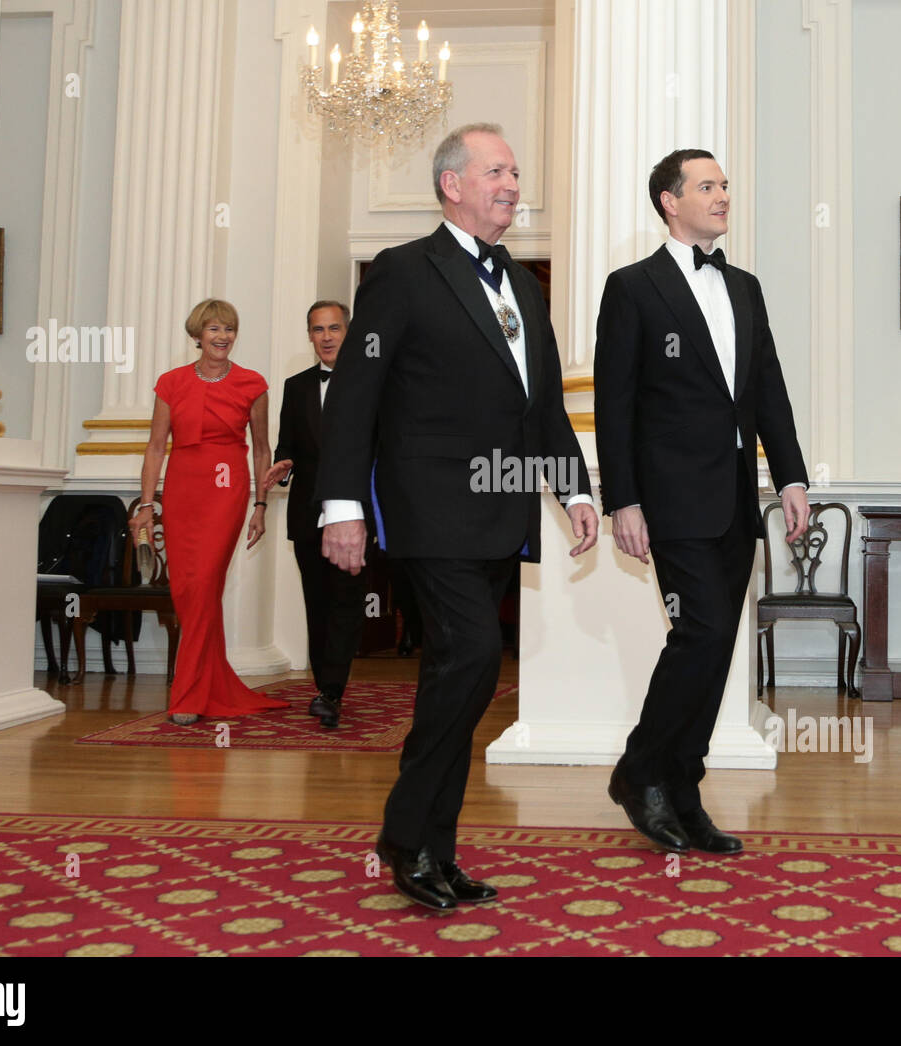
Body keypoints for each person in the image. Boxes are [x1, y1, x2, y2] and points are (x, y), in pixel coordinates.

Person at [314, 123, 600, 911]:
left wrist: (573, 490)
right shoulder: (403, 272)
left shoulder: (524, 283)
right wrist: (341, 506)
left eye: (516, 171)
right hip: (428, 509)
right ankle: (409, 837)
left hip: (501, 508)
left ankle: (432, 846)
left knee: (465, 677)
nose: (513, 183)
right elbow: (357, 398)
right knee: (471, 656)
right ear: (452, 183)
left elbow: (542, 404)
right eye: (497, 170)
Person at [594, 148, 810, 855]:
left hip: (734, 502)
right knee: (703, 633)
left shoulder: (744, 286)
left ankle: (681, 789)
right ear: (669, 200)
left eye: (725, 186)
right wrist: (623, 500)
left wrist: (792, 479)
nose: (722, 196)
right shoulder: (632, 288)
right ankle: (641, 772)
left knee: (716, 649)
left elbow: (767, 390)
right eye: (707, 186)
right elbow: (615, 403)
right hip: (669, 501)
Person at [130, 299, 289, 726]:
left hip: (225, 487)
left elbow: (261, 447)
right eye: (215, 329)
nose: (223, 337)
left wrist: (260, 504)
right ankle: (210, 682)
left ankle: (187, 693)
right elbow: (155, 446)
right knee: (187, 589)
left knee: (202, 583)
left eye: (229, 329)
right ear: (198, 335)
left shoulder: (252, 383)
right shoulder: (171, 383)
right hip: (182, 489)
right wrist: (147, 505)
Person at [264, 301, 371, 729]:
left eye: (334, 328)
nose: (326, 336)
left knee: (347, 602)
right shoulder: (296, 386)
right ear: (309, 336)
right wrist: (283, 466)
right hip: (307, 512)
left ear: (349, 332)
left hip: (358, 516)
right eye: (317, 329)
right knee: (317, 603)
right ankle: (324, 684)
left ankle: (332, 690)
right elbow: (286, 444)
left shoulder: (372, 382)